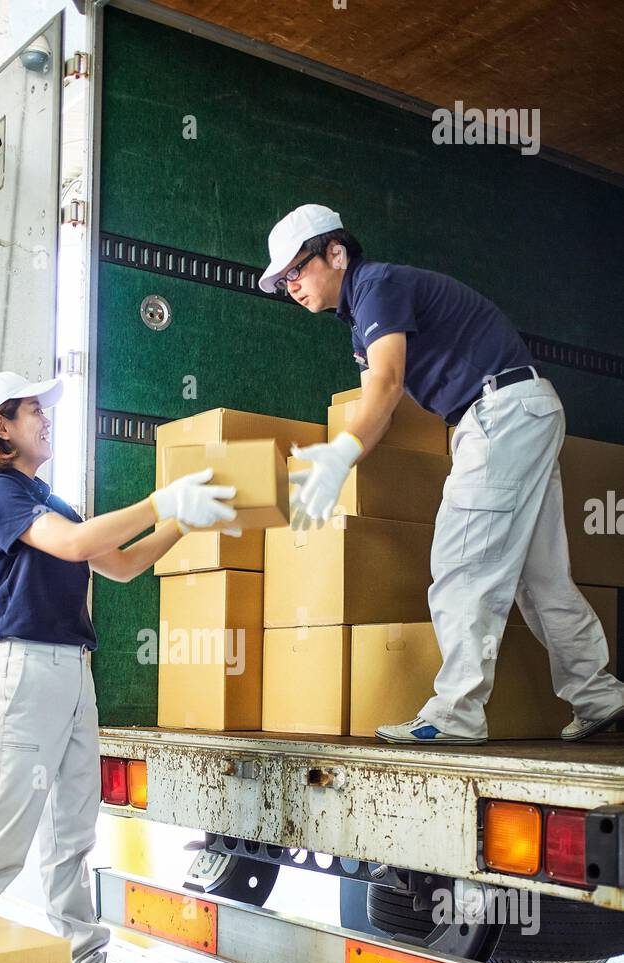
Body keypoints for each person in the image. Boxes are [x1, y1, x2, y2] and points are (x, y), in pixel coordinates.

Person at [259, 204, 624, 744]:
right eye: (282, 279)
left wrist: (338, 457)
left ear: (336, 252)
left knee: (461, 563)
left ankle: (456, 713)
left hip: (500, 412)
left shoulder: (377, 285)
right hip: (518, 409)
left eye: (297, 269)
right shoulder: (363, 317)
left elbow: (385, 388)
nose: (291, 285)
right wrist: (342, 459)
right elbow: (373, 402)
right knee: (539, 577)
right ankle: (599, 696)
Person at [0, 370, 238, 963]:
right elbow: (77, 546)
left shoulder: (49, 500)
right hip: (24, 672)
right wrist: (161, 500)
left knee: (74, 829)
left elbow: (124, 564)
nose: (45, 420)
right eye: (32, 411)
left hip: (75, 670)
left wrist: (183, 520)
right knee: (0, 833)